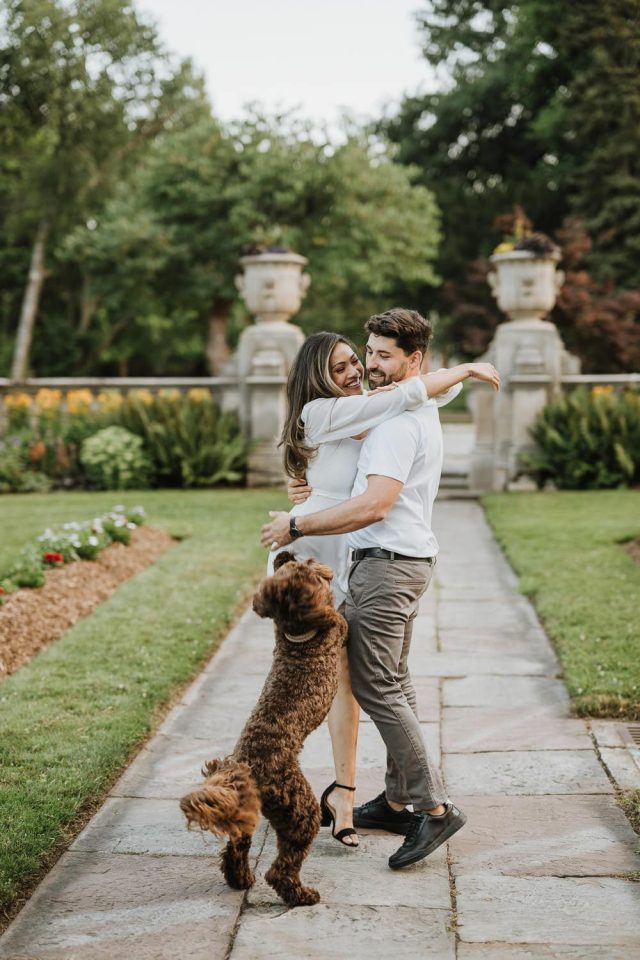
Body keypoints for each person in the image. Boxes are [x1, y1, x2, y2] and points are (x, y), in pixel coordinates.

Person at [264, 316, 500, 855]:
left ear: (414, 360)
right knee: (380, 681)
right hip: (357, 559)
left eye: (375, 357)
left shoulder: (396, 413)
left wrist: (296, 520)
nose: (364, 369)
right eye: (354, 360)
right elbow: (409, 400)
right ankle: (393, 802)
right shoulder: (378, 407)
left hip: (381, 560)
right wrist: (304, 485)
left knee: (375, 686)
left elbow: (374, 502)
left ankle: (433, 808)